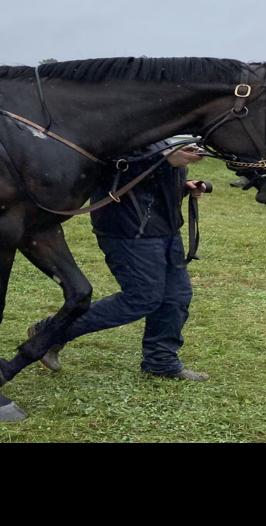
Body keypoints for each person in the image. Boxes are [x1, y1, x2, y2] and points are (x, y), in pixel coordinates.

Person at [27, 141, 211, 381]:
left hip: (164, 227)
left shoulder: (167, 129)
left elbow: (149, 180)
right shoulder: (126, 124)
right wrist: (166, 160)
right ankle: (49, 332)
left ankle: (161, 361)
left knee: (177, 296)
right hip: (127, 229)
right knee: (142, 298)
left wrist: (181, 184)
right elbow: (111, 167)